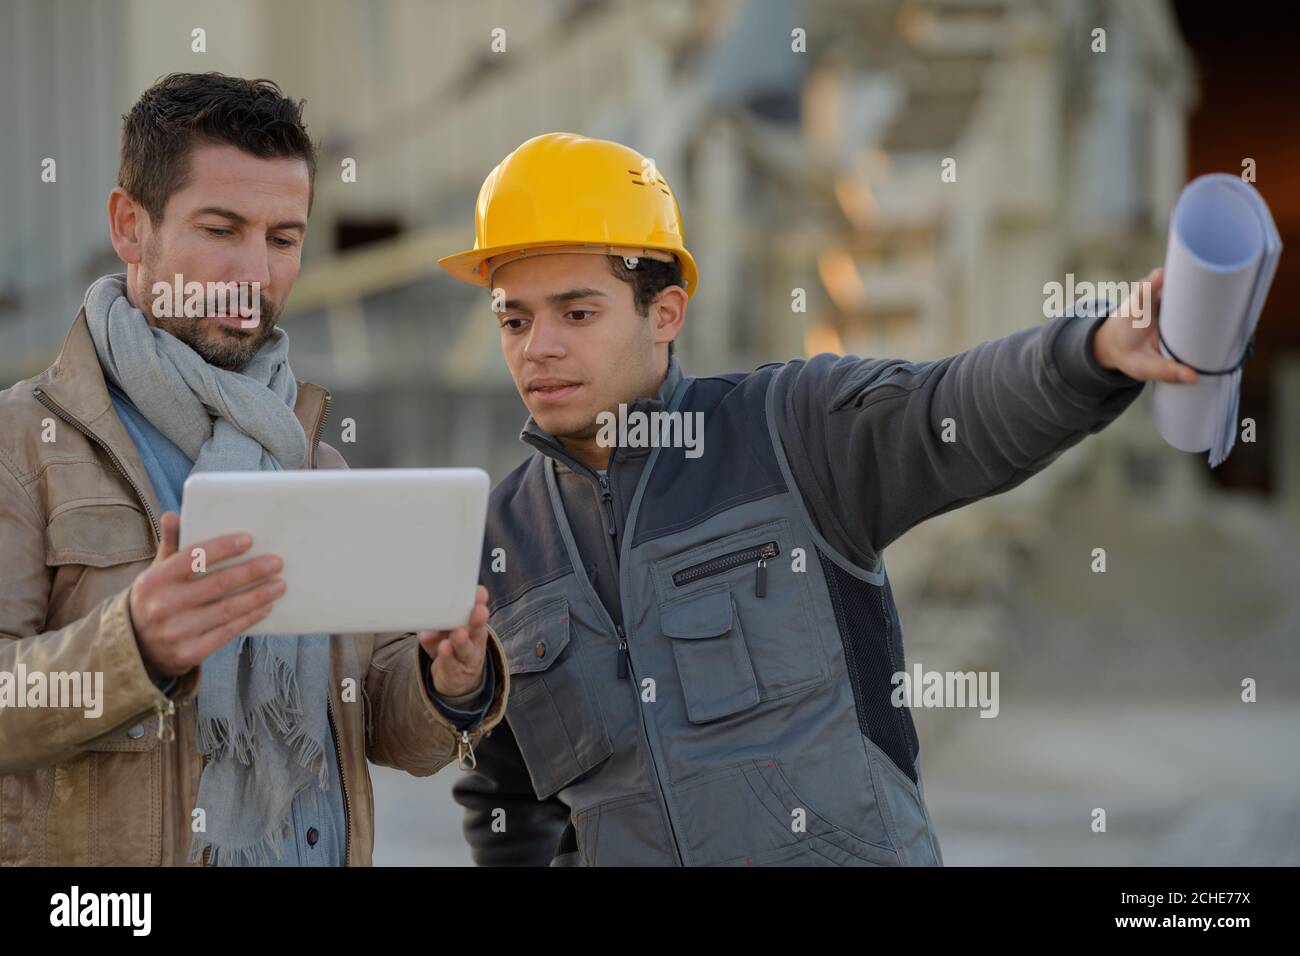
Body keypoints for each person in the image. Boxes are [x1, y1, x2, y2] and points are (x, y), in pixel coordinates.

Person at [437, 131, 1195, 866]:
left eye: (576, 313)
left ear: (665, 313)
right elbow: (506, 797)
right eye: (514, 318)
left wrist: (1091, 353)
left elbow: (949, 409)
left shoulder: (789, 433)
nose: (538, 347)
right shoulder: (501, 539)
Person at [0, 72, 506, 866]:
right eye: (221, 229)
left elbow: (388, 731)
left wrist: (449, 678)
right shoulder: (23, 444)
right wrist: (134, 646)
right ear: (131, 228)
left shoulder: (317, 464)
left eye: (282, 239)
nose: (255, 273)